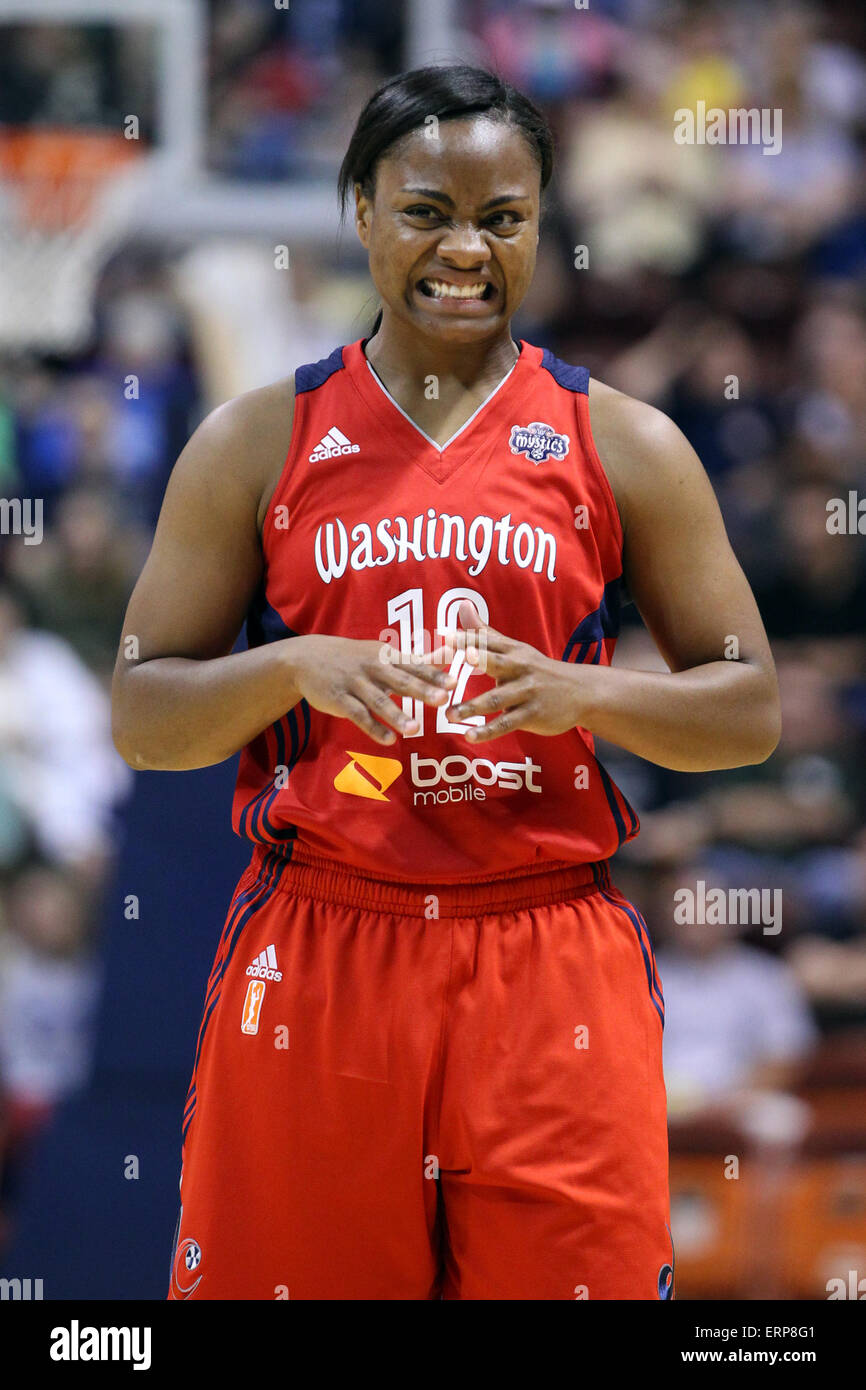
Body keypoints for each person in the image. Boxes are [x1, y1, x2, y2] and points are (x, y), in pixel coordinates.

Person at [111, 65, 781, 1301]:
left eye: (503, 217)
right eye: (426, 210)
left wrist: (585, 696)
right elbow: (145, 720)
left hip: (545, 944)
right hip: (323, 938)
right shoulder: (257, 439)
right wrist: (291, 666)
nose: (464, 248)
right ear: (359, 209)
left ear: (539, 225)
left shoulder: (621, 442)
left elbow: (745, 711)